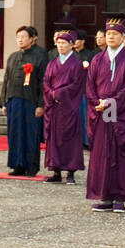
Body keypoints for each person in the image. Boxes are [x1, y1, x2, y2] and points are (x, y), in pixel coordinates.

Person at [85, 13, 125, 213]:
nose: (110, 36)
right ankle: (104, 196)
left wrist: (110, 102)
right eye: (108, 33)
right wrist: (96, 102)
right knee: (102, 154)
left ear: (124, 37)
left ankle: (119, 197)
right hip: (100, 113)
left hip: (118, 113)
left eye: (115, 34)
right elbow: (89, 85)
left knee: (119, 153)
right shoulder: (97, 59)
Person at [42, 24, 85, 184]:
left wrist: (59, 93)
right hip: (54, 107)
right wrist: (51, 93)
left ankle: (71, 172)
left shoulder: (76, 64)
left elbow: (76, 85)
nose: (60, 46)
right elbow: (46, 81)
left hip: (68, 108)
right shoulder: (52, 62)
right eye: (58, 43)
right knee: (54, 138)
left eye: (64, 43)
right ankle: (56, 171)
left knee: (70, 138)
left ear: (72, 44)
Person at [0, 26, 44, 176]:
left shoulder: (40, 55)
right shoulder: (12, 56)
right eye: (18, 36)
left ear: (32, 39)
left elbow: (43, 82)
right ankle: (17, 165)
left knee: (30, 134)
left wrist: (41, 104)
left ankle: (31, 166)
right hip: (14, 99)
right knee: (14, 134)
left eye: (23, 36)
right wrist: (4, 102)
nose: (20, 39)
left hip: (30, 100)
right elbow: (6, 79)